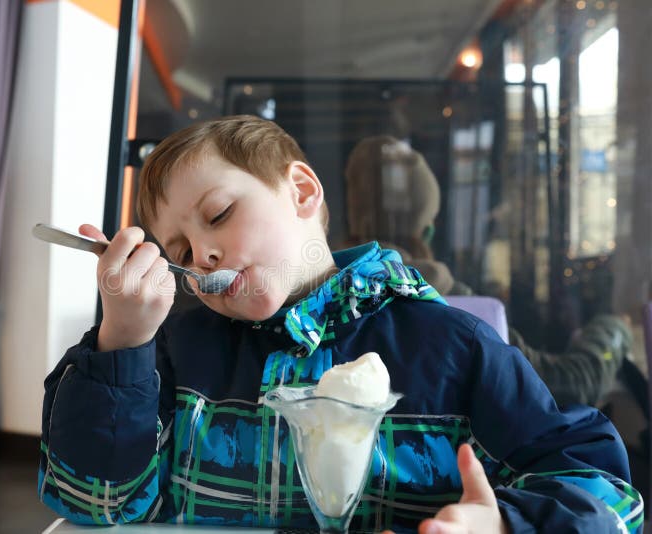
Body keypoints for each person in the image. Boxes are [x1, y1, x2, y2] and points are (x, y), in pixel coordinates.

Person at [38, 115, 642, 533]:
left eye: (219, 214)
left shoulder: (453, 348)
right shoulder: (171, 352)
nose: (203, 257)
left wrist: (507, 523)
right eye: (181, 251)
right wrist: (122, 341)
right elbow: (97, 503)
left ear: (300, 191)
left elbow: (605, 496)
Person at [344, 135, 633, 408]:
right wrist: (614, 328)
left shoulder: (324, 297)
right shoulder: (464, 308)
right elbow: (570, 383)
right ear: (428, 232)